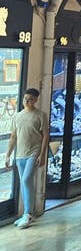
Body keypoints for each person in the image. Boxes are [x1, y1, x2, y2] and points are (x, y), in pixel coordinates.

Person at [4, 89, 48, 229]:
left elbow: (45, 136)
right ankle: (26, 213)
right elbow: (13, 137)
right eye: (25, 99)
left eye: (30, 99)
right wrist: (8, 155)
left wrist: (42, 154)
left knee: (26, 180)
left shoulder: (41, 115)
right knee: (24, 183)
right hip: (20, 154)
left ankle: (28, 213)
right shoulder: (17, 116)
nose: (27, 101)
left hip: (33, 153)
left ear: (35, 100)